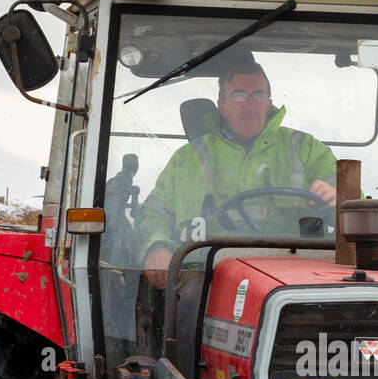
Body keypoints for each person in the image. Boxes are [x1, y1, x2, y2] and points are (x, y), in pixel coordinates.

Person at [139, 58, 337, 287]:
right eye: (239, 96)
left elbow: (351, 200)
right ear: (221, 105)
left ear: (269, 102)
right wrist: (157, 246)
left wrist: (336, 194)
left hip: (294, 272)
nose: (250, 105)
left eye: (258, 96)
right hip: (209, 274)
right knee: (187, 301)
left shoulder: (305, 148)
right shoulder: (188, 158)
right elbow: (154, 214)